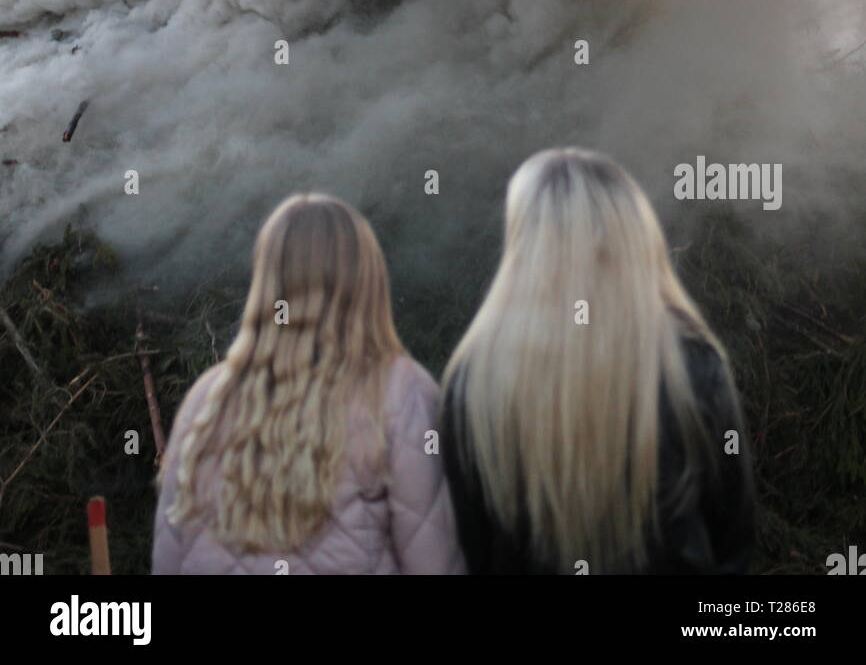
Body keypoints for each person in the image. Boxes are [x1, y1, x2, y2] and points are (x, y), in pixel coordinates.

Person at [440, 147, 755, 575]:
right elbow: (732, 538)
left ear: (523, 244)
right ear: (635, 238)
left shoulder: (474, 379)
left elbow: (471, 548)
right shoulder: (691, 365)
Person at [153, 193, 464, 574]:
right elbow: (431, 562)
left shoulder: (207, 397)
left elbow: (168, 559)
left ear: (267, 280)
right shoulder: (401, 391)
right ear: (366, 278)